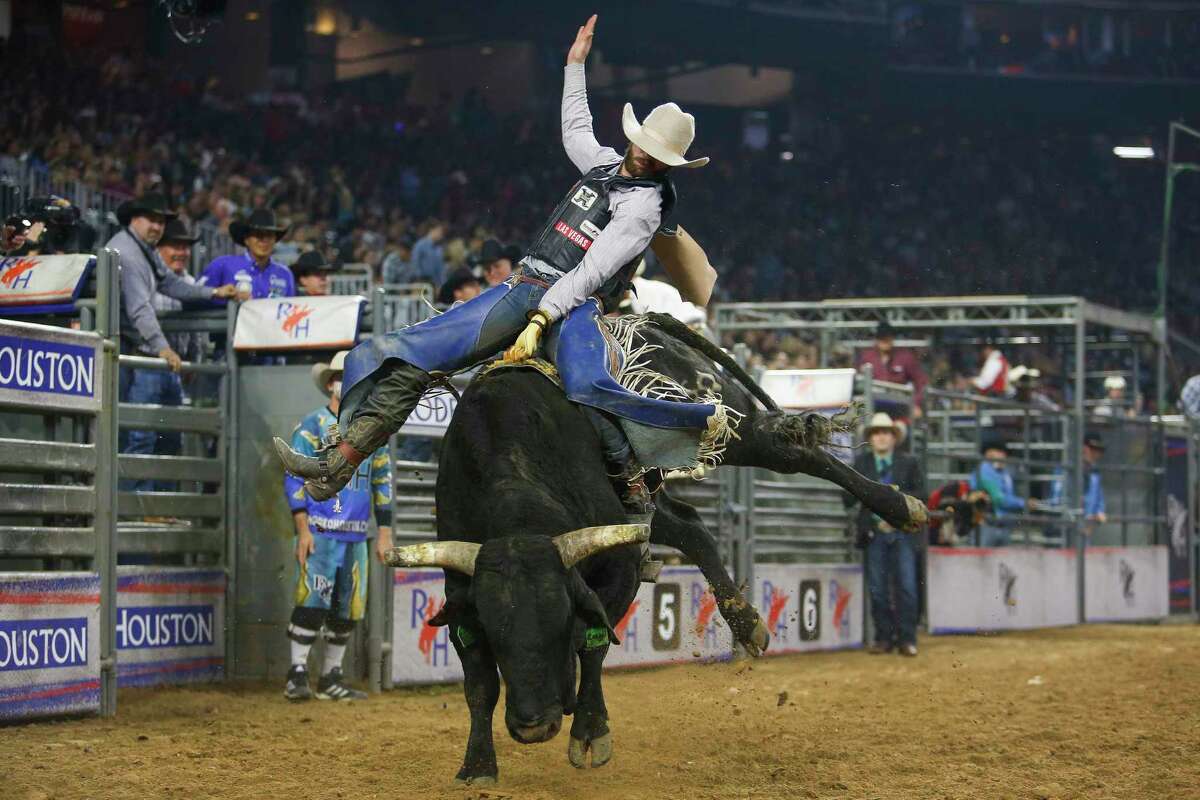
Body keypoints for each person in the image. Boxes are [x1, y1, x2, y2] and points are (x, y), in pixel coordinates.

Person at [276, 13, 729, 520]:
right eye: (648, 147)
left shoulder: (644, 205)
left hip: (568, 299)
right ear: (637, 139)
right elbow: (576, 130)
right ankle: (340, 461)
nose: (649, 158)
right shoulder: (604, 165)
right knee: (415, 351)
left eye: (659, 156)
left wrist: (542, 317)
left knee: (586, 382)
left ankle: (632, 480)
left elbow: (592, 271)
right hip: (525, 283)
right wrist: (574, 67)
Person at [106, 193, 236, 493]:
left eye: (161, 221)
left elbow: (169, 283)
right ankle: (135, 504)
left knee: (163, 433)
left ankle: (157, 503)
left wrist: (212, 293)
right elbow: (139, 308)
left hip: (141, 352)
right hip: (131, 352)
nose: (157, 226)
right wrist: (162, 347)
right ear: (134, 219)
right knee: (139, 433)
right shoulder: (127, 253)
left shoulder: (143, 249)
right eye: (151, 220)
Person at [283, 351, 393, 702]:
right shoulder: (314, 425)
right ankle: (297, 673)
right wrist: (302, 529)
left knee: (349, 607)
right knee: (313, 600)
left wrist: (385, 532)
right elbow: (294, 474)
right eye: (345, 377)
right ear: (332, 383)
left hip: (356, 533)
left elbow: (382, 478)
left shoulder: (373, 431)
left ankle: (330, 676)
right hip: (320, 530)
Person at [843, 413, 924, 656]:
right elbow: (846, 497)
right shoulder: (861, 463)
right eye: (877, 432)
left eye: (886, 432)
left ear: (893, 437)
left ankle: (906, 638)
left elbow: (922, 494)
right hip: (874, 532)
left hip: (902, 531)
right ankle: (884, 638)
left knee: (907, 587)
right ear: (870, 438)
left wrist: (894, 503)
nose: (881, 437)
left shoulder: (908, 462)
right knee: (878, 588)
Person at [200, 208, 295, 301]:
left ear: (275, 240)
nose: (264, 240)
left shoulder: (285, 274)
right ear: (246, 240)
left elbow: (292, 308)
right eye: (258, 235)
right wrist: (222, 296)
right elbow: (197, 298)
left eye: (269, 236)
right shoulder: (222, 265)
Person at [968, 438, 1033, 547]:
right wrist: (1023, 503)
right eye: (1000, 452)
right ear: (988, 453)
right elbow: (998, 498)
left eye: (1003, 453)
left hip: (1000, 526)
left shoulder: (1003, 473)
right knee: (983, 555)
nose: (1004, 455)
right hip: (986, 526)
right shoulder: (984, 470)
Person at [855, 321, 927, 417]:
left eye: (888, 336)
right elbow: (857, 382)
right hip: (872, 408)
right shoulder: (866, 357)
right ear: (876, 338)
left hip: (899, 408)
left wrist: (916, 403)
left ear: (893, 337)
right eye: (881, 337)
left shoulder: (905, 357)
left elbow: (921, 382)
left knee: (902, 424)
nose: (884, 340)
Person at [1047, 433, 1106, 543]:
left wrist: (1096, 517)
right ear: (1083, 448)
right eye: (1093, 449)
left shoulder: (1094, 473)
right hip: (1063, 532)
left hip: (1084, 533)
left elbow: (1099, 502)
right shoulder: (1065, 469)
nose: (1096, 454)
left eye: (1099, 451)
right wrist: (1077, 519)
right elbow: (1056, 501)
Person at [407, 220, 447, 287]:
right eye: (439, 231)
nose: (441, 234)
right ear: (431, 230)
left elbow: (440, 269)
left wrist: (442, 284)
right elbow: (415, 263)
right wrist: (418, 280)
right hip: (421, 281)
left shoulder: (439, 249)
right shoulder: (420, 245)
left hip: (435, 283)